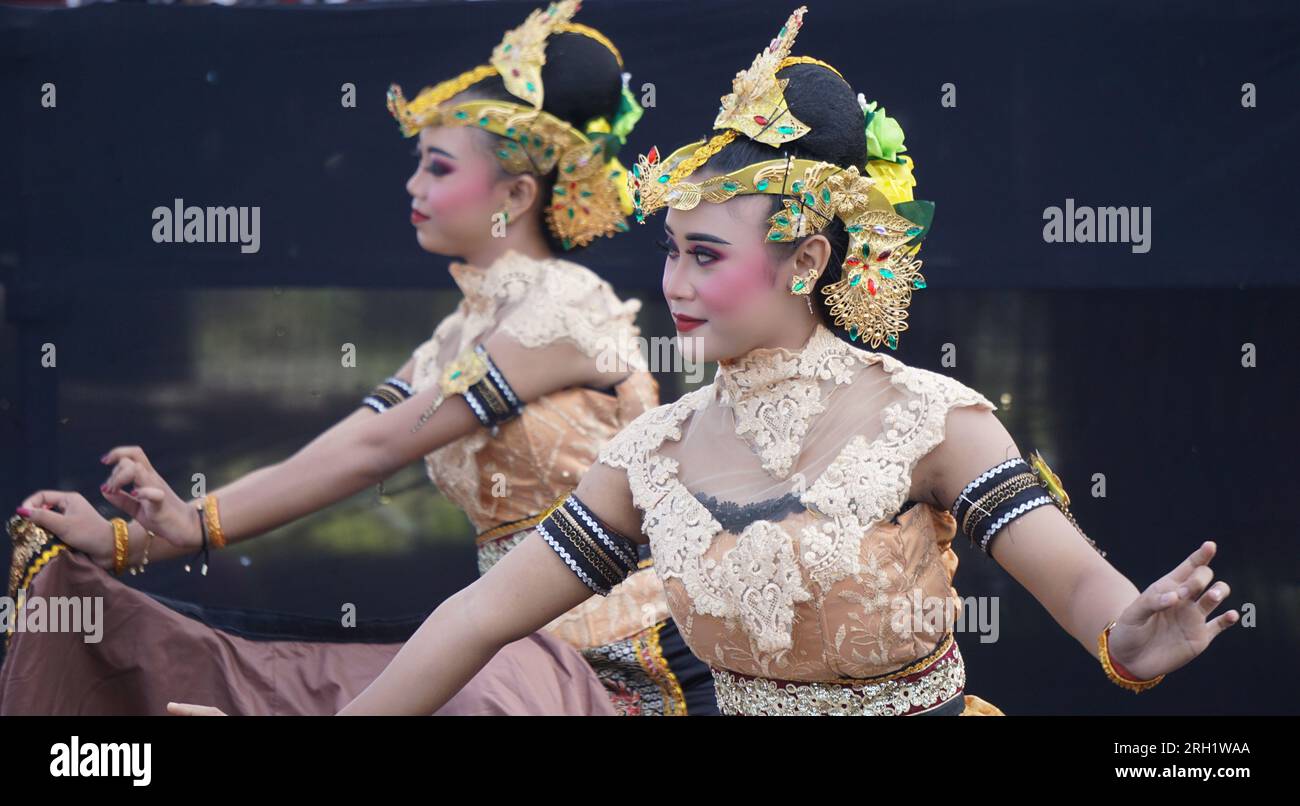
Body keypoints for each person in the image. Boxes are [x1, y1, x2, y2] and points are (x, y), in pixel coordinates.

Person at [169, 5, 1238, 718]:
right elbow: (479, 615)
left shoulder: (935, 420)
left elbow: (1094, 599)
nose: (674, 284)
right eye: (671, 252)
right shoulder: (652, 454)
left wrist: (1132, 631)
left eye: (705, 256)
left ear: (805, 258)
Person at [7, 0, 716, 717]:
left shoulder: (566, 309)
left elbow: (379, 447)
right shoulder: (457, 333)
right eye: (419, 166)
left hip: (621, 654)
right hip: (503, 649)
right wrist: (139, 538)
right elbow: (350, 449)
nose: (413, 187)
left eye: (438, 168)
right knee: (245, 671)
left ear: (516, 193)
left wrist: (188, 527)